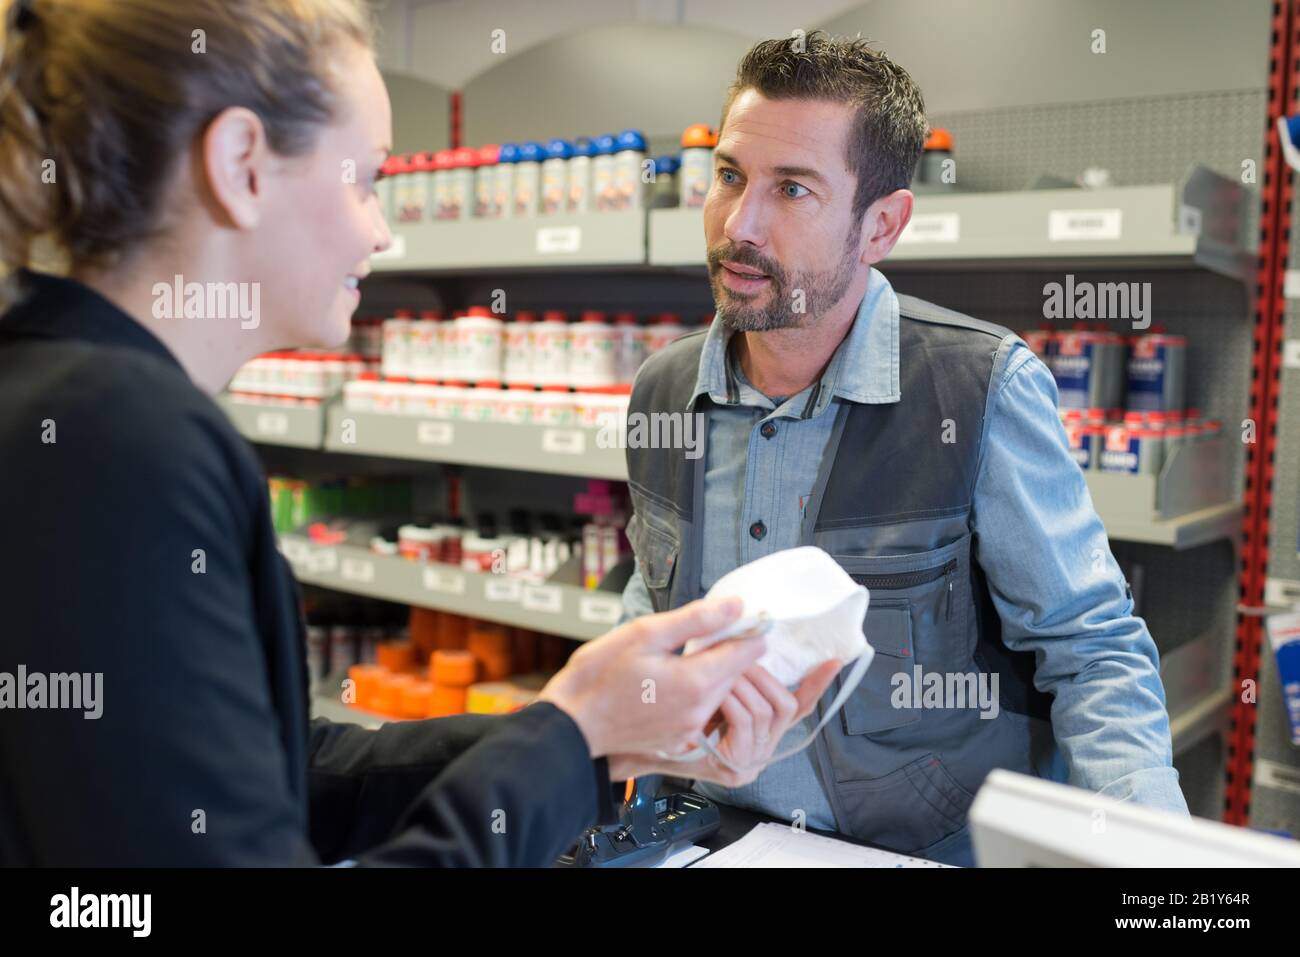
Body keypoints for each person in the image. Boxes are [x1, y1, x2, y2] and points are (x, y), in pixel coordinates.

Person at [0, 0, 843, 866]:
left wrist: (592, 736)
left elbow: (290, 772)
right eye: (365, 179)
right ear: (241, 164)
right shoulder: (121, 438)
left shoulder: (68, 397)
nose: (382, 227)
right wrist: (571, 731)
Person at [619, 32, 1188, 867]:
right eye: (731, 176)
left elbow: (1091, 646)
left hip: (913, 853)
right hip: (707, 841)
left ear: (881, 223)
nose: (740, 224)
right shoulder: (664, 393)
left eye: (793, 190)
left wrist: (1153, 866)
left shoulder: (980, 387)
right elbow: (651, 604)